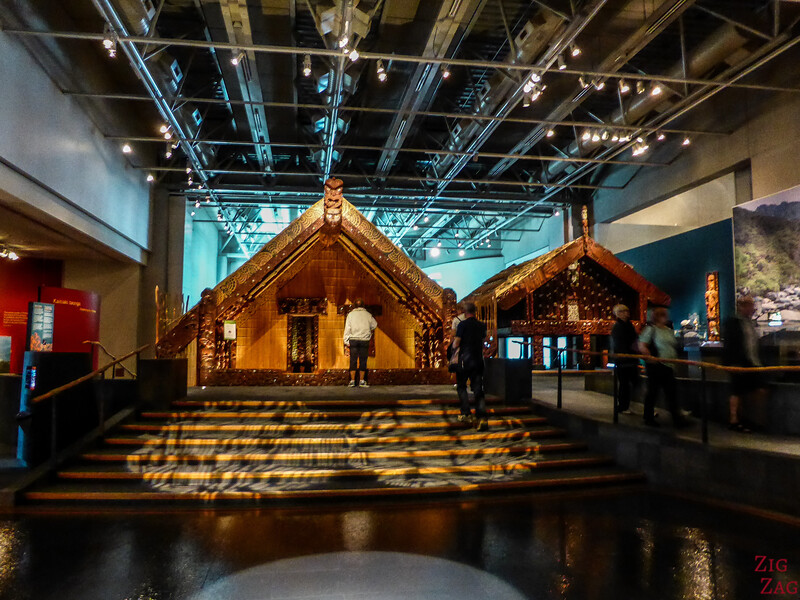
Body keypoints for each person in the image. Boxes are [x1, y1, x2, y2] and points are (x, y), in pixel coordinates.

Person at [638, 306, 689, 428]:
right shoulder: (651, 330)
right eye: (663, 315)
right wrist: (650, 358)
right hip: (657, 365)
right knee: (653, 392)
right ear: (657, 317)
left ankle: (677, 419)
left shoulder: (667, 330)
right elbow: (642, 345)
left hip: (669, 365)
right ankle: (649, 417)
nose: (665, 318)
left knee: (671, 392)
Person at [722, 295, 766, 433]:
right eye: (749, 305)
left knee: (748, 391)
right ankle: (735, 420)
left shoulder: (748, 323)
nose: (752, 308)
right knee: (738, 391)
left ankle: (747, 420)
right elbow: (730, 344)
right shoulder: (733, 323)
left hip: (750, 362)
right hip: (740, 363)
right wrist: (732, 363)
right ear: (741, 306)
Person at [453, 302, 488, 431]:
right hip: (478, 361)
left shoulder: (462, 325)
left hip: (464, 361)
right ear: (475, 311)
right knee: (478, 389)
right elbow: (484, 339)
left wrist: (453, 348)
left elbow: (457, 343)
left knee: (462, 386)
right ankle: (482, 418)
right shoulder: (481, 325)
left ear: (464, 312)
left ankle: (466, 413)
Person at [610, 304, 639, 415]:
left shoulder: (629, 325)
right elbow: (619, 344)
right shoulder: (618, 326)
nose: (627, 313)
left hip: (630, 359)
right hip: (624, 360)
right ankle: (623, 406)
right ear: (618, 313)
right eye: (623, 311)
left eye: (627, 310)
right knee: (624, 384)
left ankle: (627, 405)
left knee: (629, 383)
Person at [343, 299, 377, 388]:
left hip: (353, 339)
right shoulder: (368, 315)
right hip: (364, 340)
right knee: (363, 361)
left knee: (353, 360)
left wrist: (346, 340)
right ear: (363, 305)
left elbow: (347, 328)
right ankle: (362, 381)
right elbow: (375, 325)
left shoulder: (350, 315)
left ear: (354, 305)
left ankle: (352, 381)